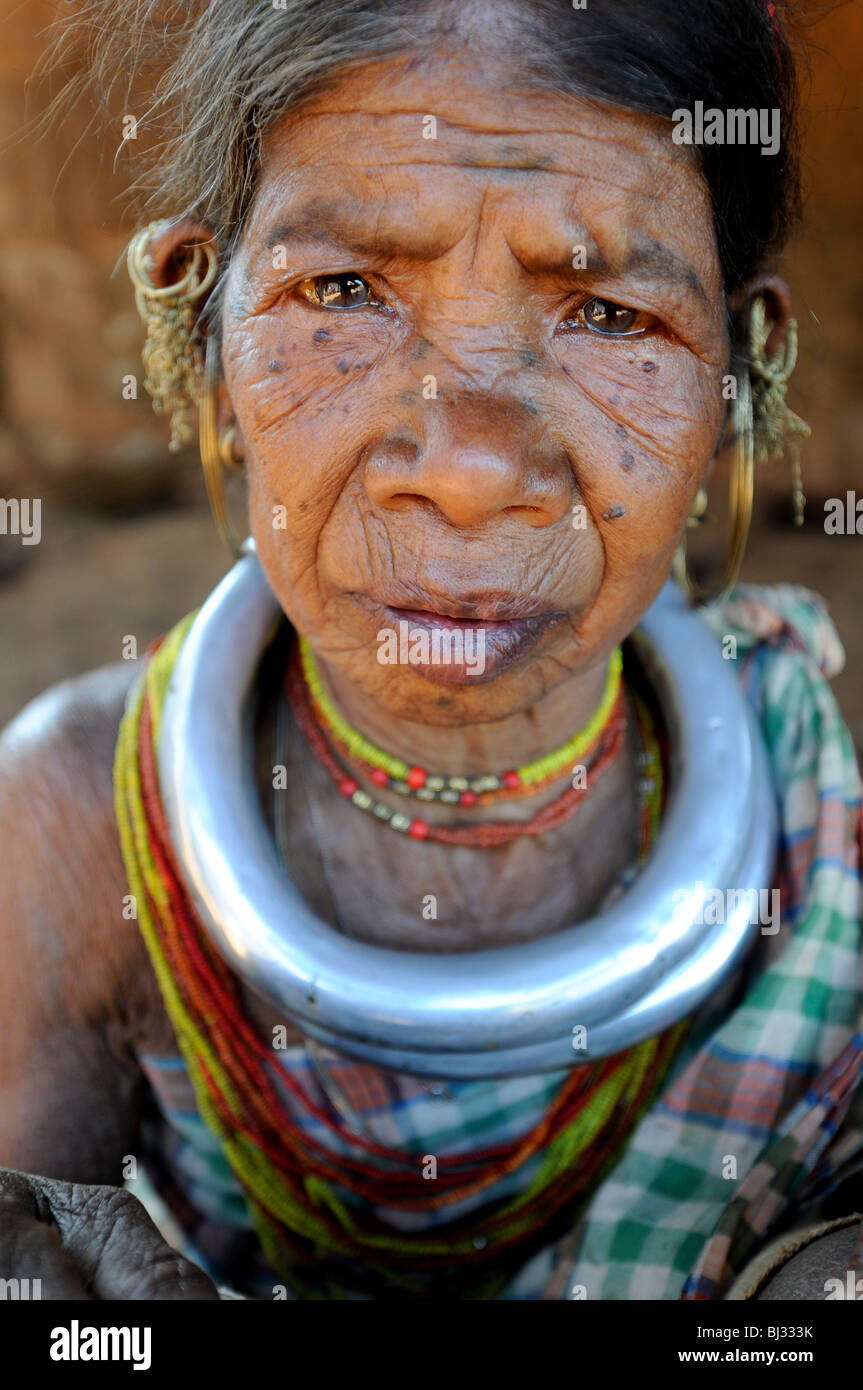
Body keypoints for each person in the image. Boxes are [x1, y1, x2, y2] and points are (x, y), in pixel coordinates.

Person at [0, 0, 861, 1301]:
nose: (465, 467)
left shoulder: (816, 800)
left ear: (746, 369)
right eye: (340, 292)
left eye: (611, 316)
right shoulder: (70, 832)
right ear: (200, 336)